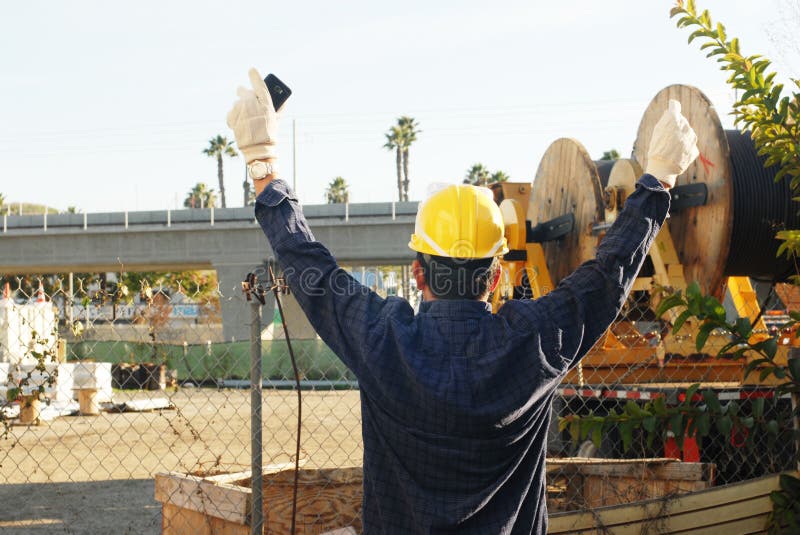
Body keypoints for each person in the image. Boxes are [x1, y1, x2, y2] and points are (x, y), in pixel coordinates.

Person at [227, 68, 698, 534]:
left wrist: (262, 161)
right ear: (494, 277)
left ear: (418, 272)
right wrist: (657, 179)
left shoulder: (383, 340)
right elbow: (608, 275)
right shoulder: (534, 340)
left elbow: (311, 268)